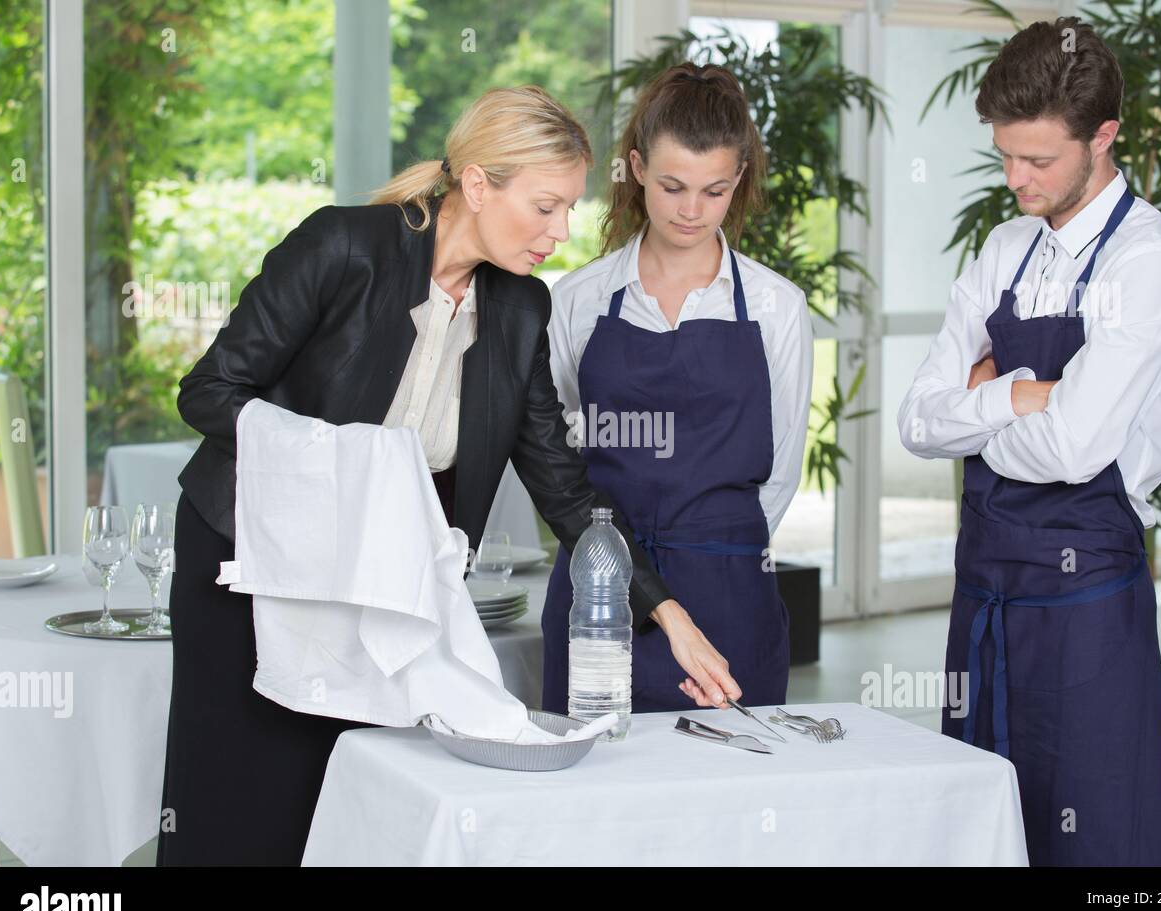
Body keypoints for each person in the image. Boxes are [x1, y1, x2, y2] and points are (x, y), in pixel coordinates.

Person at [157, 85, 731, 866]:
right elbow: (210, 391)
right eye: (546, 207)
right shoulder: (343, 248)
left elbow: (563, 484)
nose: (562, 233)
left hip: (376, 577)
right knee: (237, 802)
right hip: (252, 564)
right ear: (477, 185)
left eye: (570, 209)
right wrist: (344, 466)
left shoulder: (521, 308)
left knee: (354, 796)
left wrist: (667, 614)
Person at [898, 18, 1161, 865]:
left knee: (1098, 842)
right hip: (982, 595)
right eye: (1004, 155)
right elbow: (917, 420)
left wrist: (980, 400)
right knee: (982, 831)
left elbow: (1073, 454)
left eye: (1038, 161)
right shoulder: (1003, 248)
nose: (1015, 179)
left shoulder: (1148, 265)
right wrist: (1027, 395)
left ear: (1103, 137)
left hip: (1087, 613)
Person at [540, 64, 814, 714]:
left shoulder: (777, 307)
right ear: (636, 167)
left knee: (728, 798)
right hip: (597, 599)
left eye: (714, 191)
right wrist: (616, 564)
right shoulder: (578, 300)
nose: (692, 210)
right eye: (672, 186)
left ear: (739, 178)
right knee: (593, 796)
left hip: (729, 600)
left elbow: (782, 470)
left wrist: (717, 549)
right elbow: (555, 459)